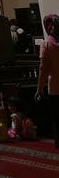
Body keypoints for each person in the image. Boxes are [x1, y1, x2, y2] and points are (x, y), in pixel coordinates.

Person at [35, 13, 59, 149]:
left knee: (57, 117)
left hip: (56, 87)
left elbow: (43, 69)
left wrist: (39, 89)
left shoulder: (46, 44)